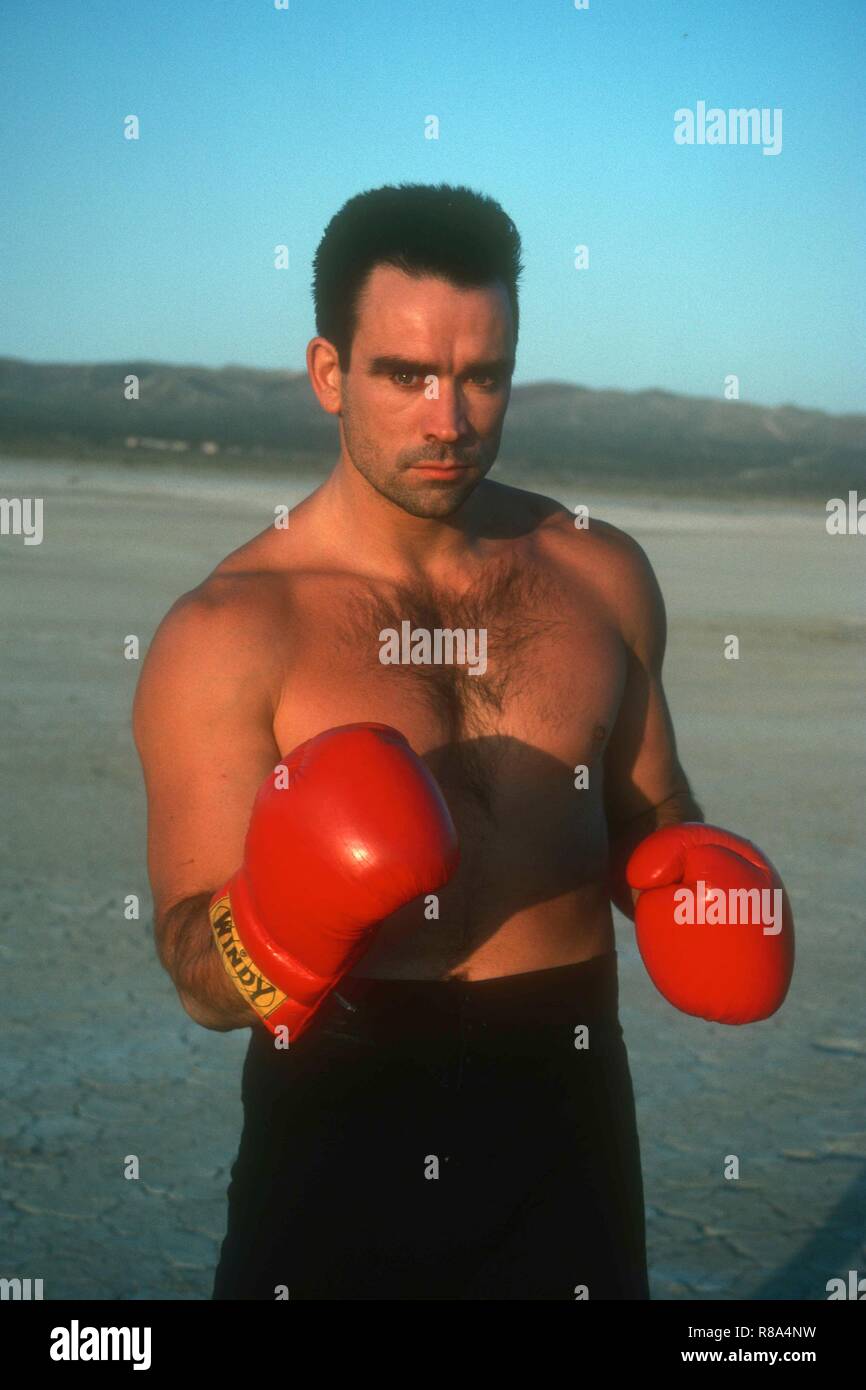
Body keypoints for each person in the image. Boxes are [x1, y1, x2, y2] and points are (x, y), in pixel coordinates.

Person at [132, 182, 794, 1301]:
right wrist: (284, 918)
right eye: (405, 376)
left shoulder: (599, 575)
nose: (449, 419)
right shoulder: (230, 631)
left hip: (568, 1129)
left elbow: (651, 815)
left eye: (482, 376)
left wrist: (700, 893)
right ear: (328, 373)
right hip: (337, 1131)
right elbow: (200, 973)